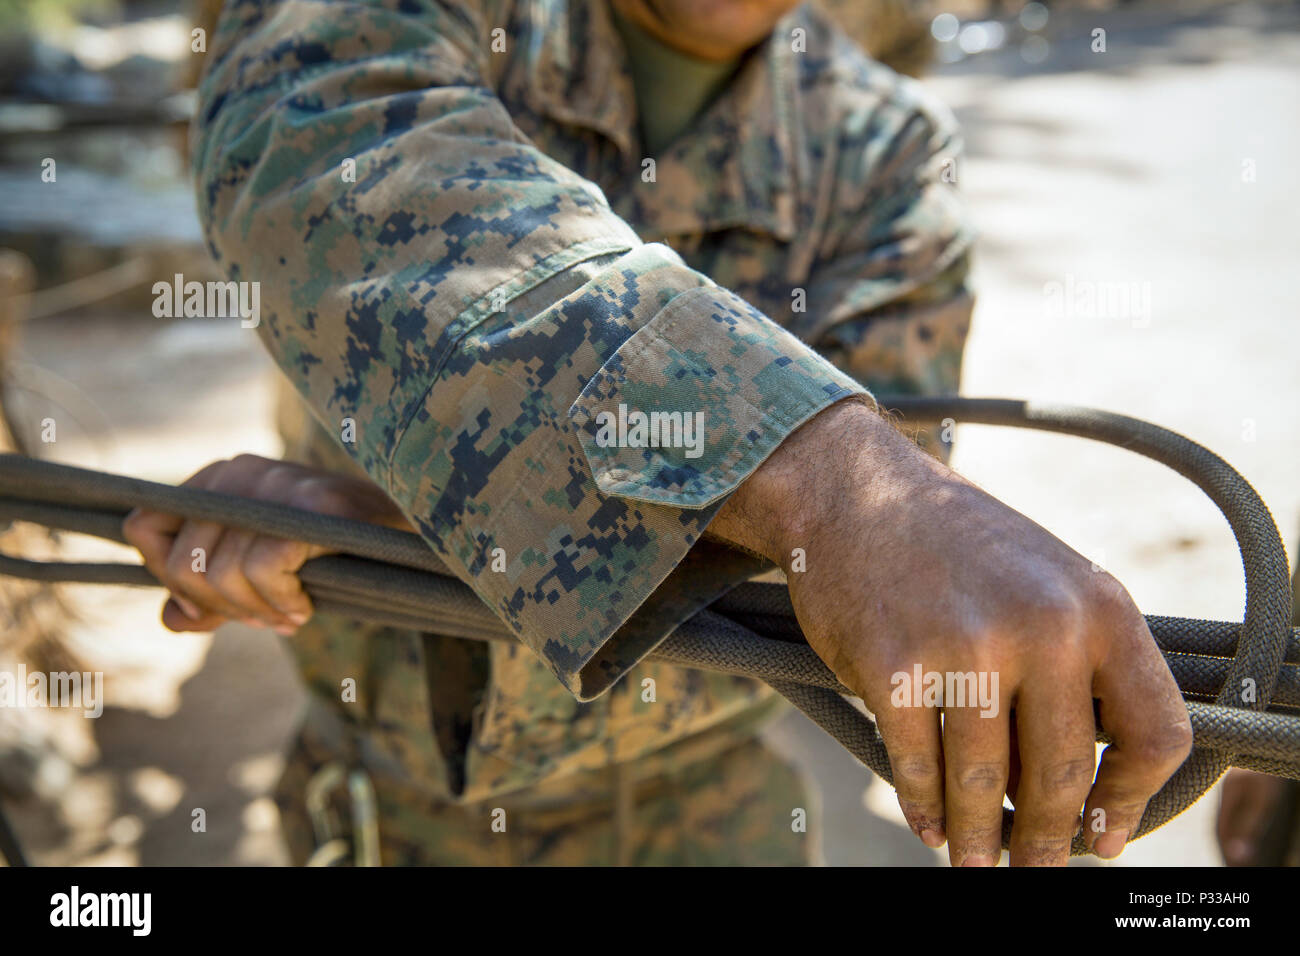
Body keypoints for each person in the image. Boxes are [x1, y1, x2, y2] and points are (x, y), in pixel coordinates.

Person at [123, 0, 1192, 866]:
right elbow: (326, 152)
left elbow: (846, 619)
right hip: (378, 812)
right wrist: (842, 486)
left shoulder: (883, 153)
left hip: (718, 820)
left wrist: (425, 532)